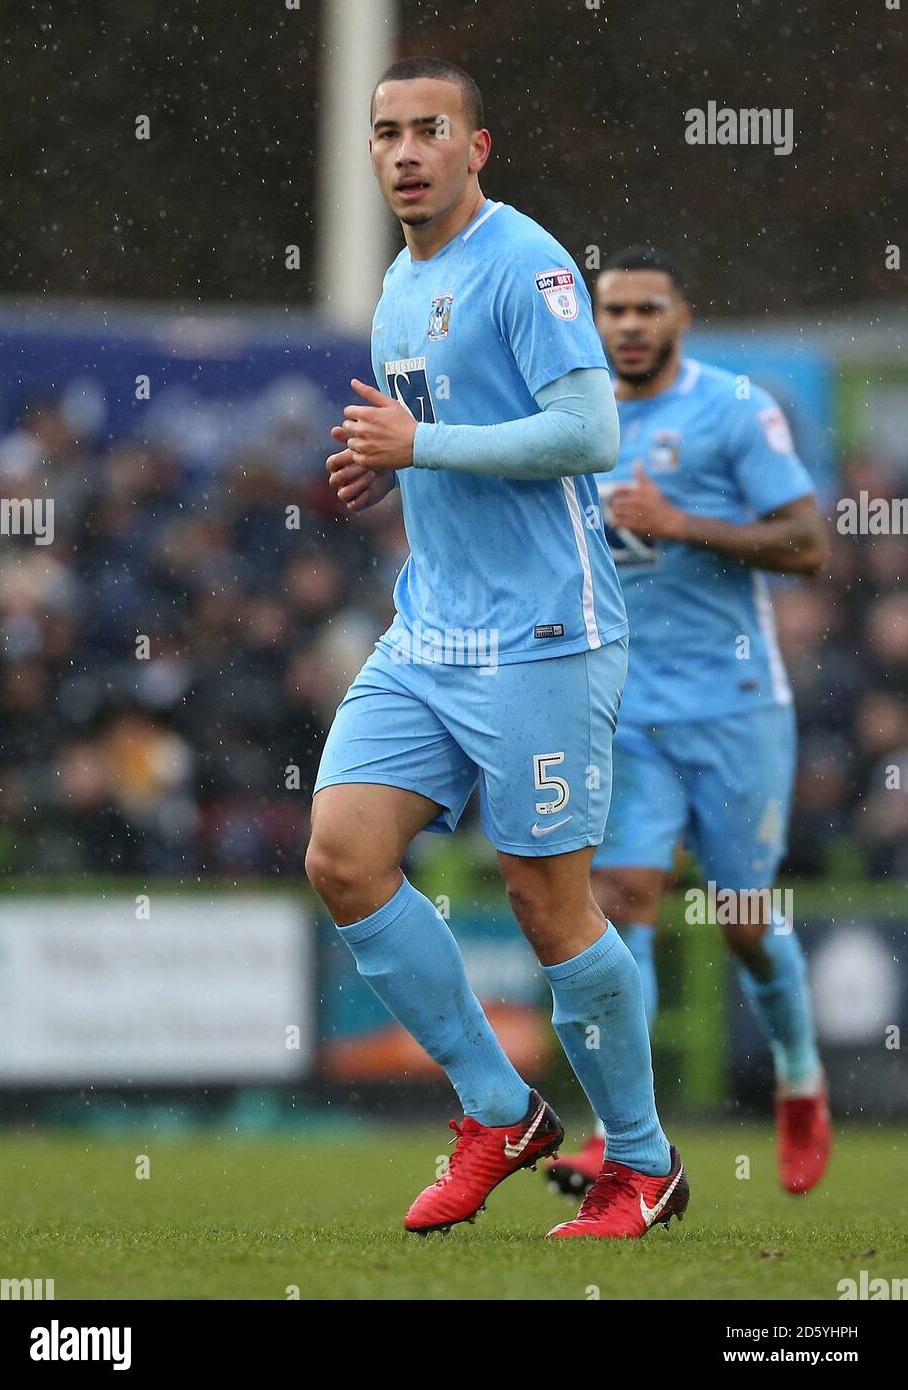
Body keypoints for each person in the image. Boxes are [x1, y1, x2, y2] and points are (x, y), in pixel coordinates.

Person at [305, 62, 688, 1240]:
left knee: (546, 904)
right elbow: (447, 442)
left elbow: (589, 428)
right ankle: (497, 1109)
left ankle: (642, 1161)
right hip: (432, 630)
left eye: (431, 130)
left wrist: (423, 441)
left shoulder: (525, 263)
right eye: (386, 133)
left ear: (478, 147)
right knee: (343, 855)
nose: (407, 149)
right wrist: (392, 463)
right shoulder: (397, 283)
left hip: (542, 637)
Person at [545, 247, 831, 1200]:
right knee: (623, 897)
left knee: (743, 918)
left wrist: (683, 523)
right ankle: (625, 1135)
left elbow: (806, 541)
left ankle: (799, 1074)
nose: (628, 325)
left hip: (736, 707)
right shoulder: (573, 418)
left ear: (682, 316)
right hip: (625, 710)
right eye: (613, 310)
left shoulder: (735, 408)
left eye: (646, 309)